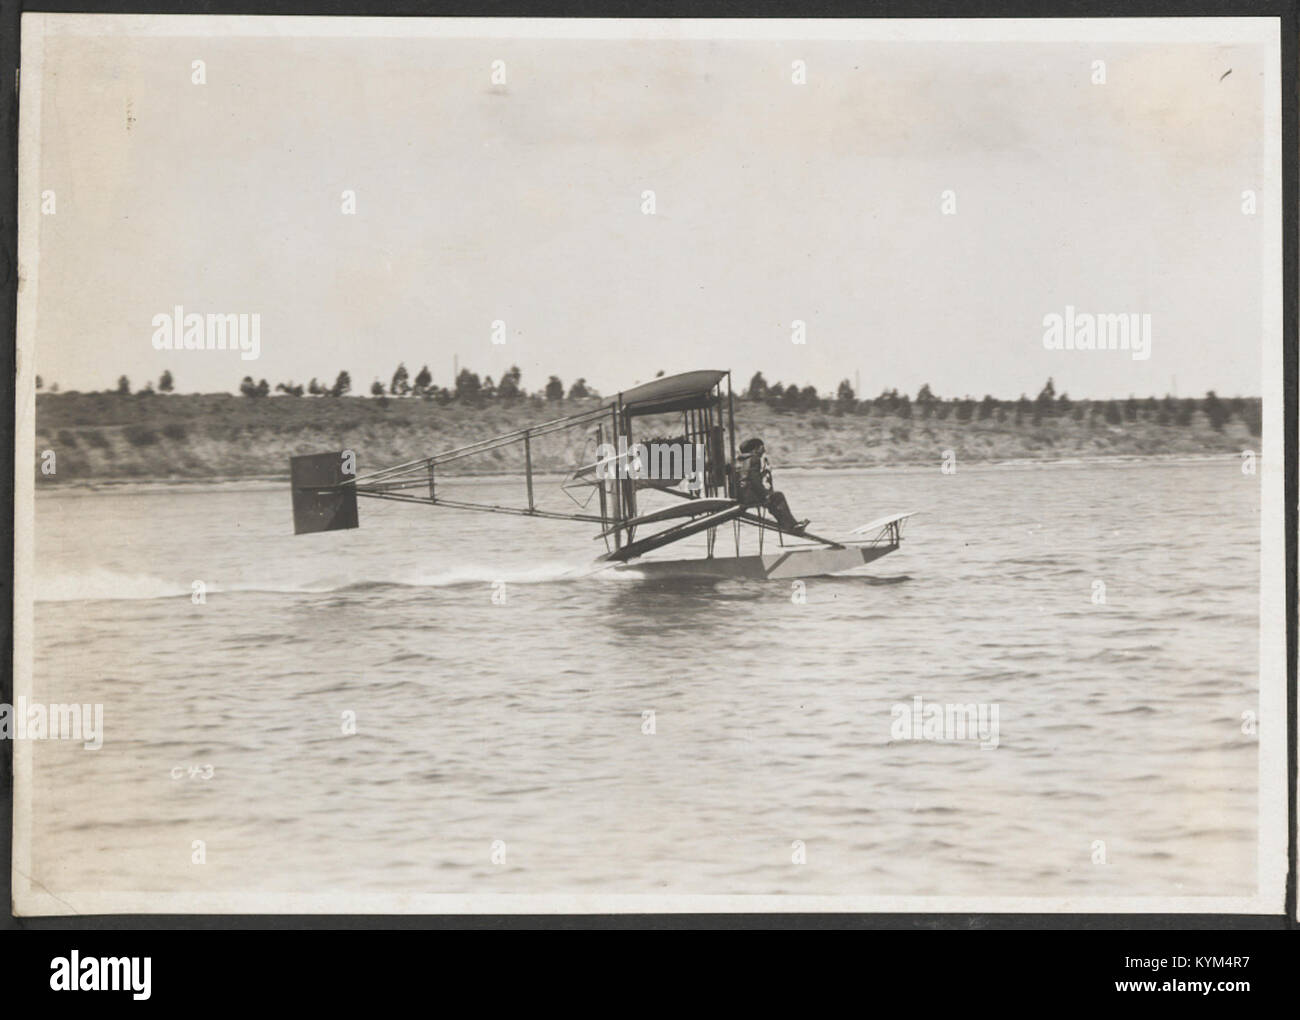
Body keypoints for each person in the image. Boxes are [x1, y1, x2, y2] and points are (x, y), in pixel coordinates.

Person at [734, 438, 809, 534]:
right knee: (778, 496)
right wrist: (765, 495)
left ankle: (788, 524)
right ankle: (792, 525)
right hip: (749, 496)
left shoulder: (738, 461)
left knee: (773, 498)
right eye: (762, 448)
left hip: (741, 496)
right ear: (755, 449)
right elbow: (754, 481)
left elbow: (746, 478)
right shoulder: (754, 459)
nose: (764, 450)